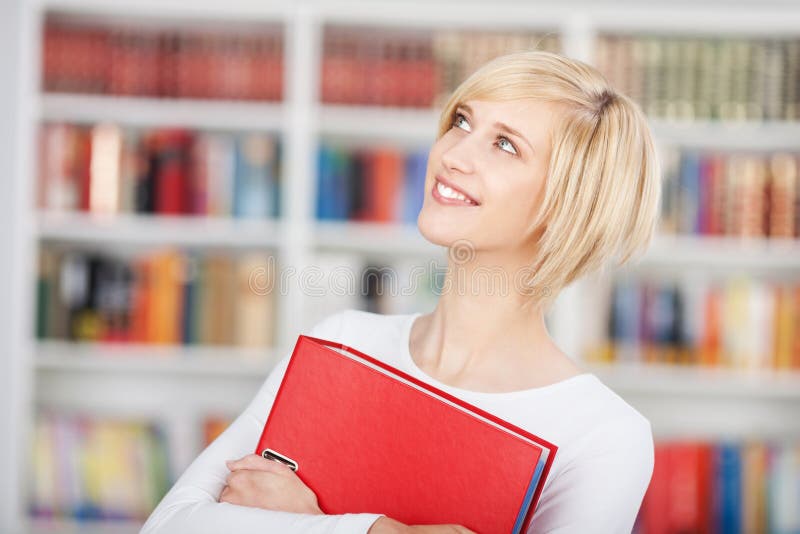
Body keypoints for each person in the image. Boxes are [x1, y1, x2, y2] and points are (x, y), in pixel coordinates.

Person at [140, 49, 660, 534]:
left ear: (567, 205)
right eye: (462, 121)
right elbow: (171, 525)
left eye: (505, 144)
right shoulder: (344, 342)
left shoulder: (603, 435)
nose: (453, 153)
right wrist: (376, 531)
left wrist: (301, 519)